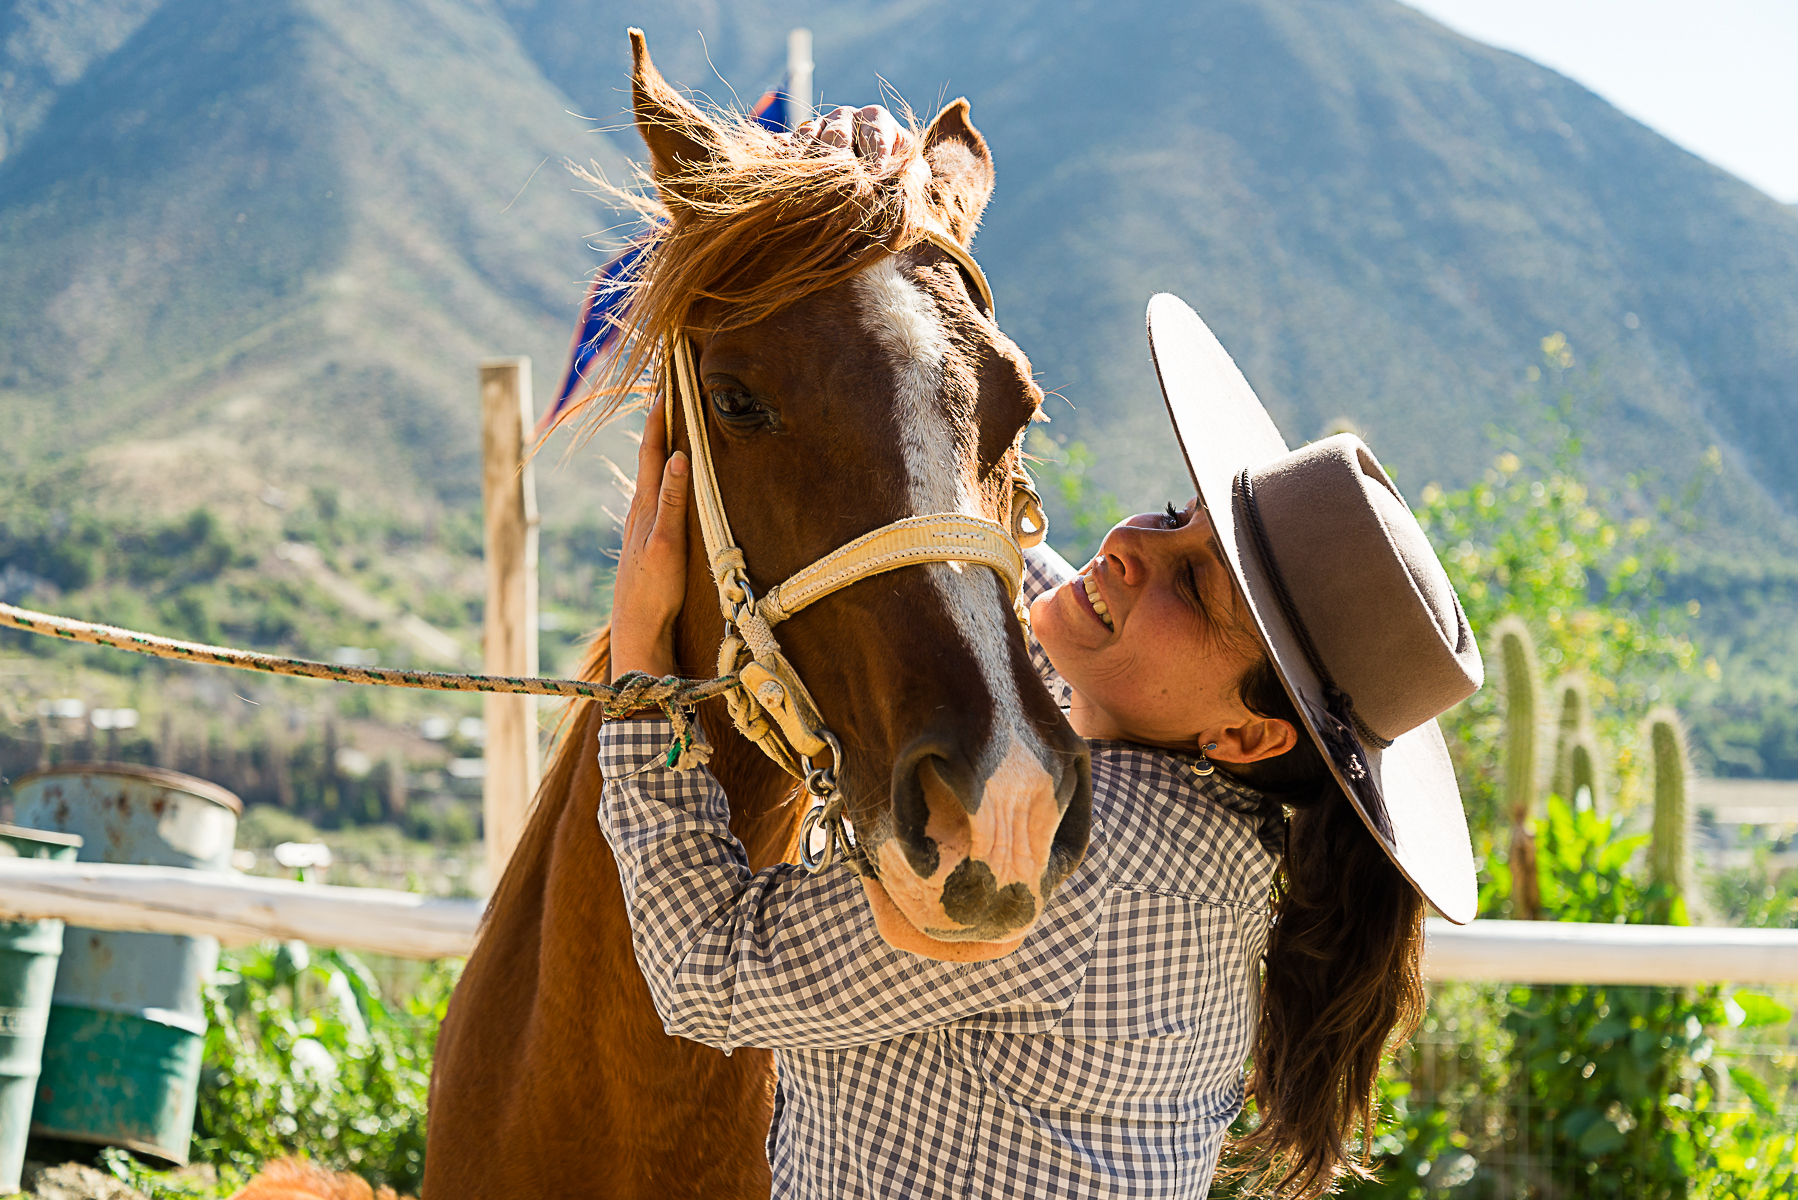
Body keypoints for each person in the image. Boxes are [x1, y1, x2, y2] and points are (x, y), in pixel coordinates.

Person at [598, 116, 1483, 1200]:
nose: (1129, 548)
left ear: (1246, 733)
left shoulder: (1087, 852)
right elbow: (980, 567)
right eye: (1171, 515)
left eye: (1194, 583)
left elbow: (708, 975)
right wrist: (898, 220)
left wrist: (640, 682)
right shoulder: (1213, 832)